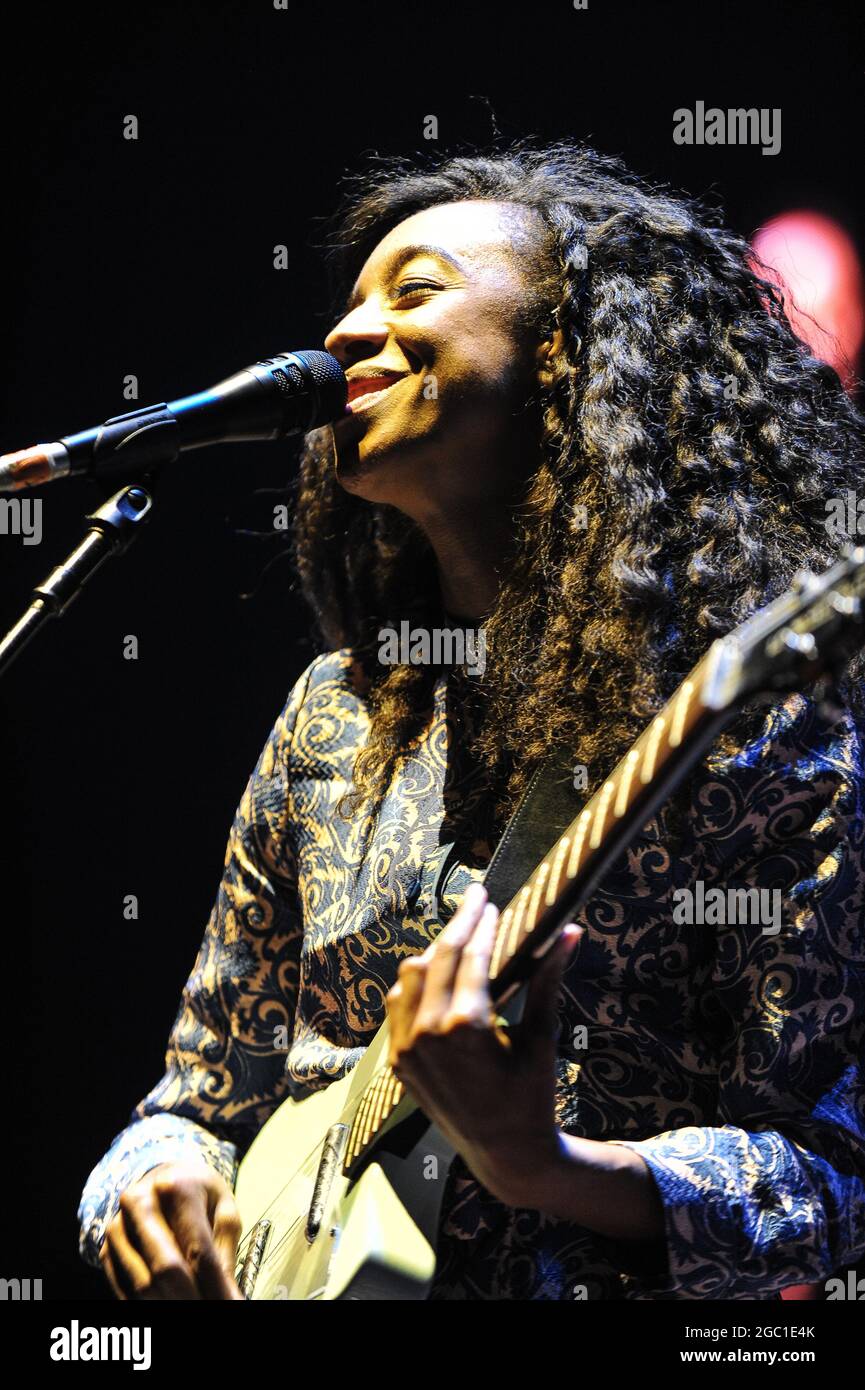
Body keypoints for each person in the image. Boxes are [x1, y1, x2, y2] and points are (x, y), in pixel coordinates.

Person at [78, 139, 865, 1300]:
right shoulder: (332, 717)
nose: (342, 336)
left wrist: (543, 1164)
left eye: (413, 290)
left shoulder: (754, 724)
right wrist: (147, 1179)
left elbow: (831, 1178)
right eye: (347, 304)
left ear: (564, 351)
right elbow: (196, 1098)